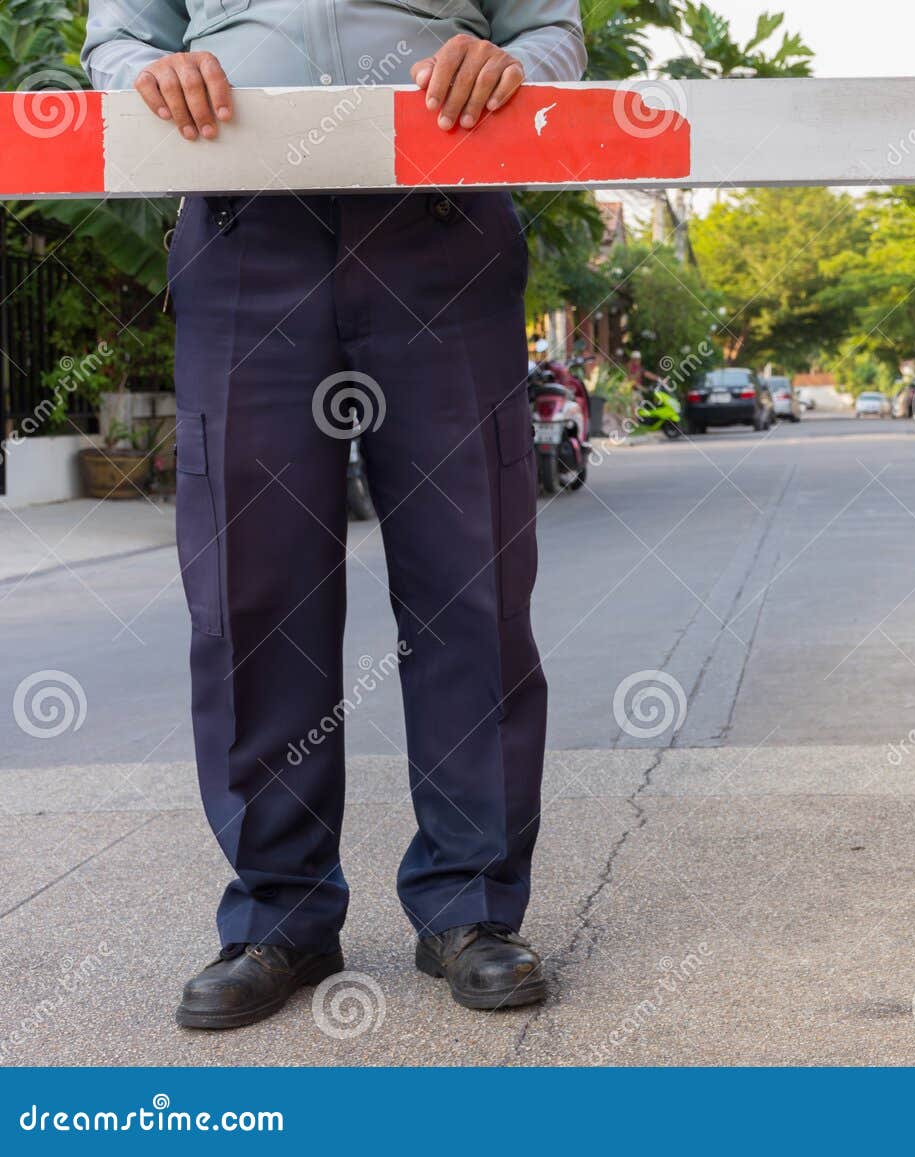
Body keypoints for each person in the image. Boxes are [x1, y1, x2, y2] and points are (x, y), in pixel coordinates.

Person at [82, 0, 587, 1029]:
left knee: (470, 580)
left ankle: (472, 905)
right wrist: (147, 71)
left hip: (439, 217)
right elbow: (116, 37)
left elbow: (553, 32)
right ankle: (281, 913)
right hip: (241, 225)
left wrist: (506, 59)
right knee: (251, 587)